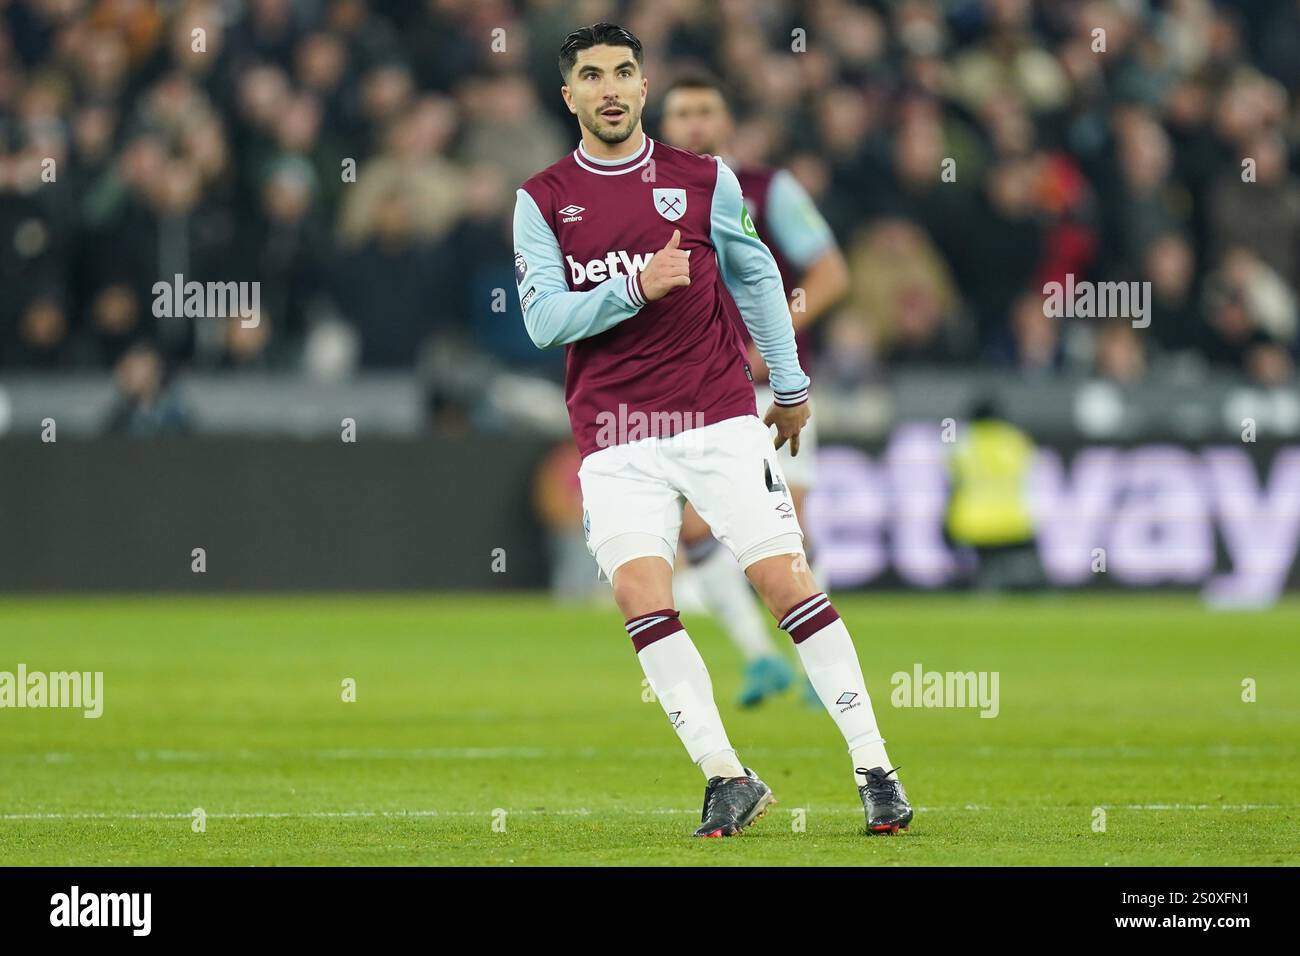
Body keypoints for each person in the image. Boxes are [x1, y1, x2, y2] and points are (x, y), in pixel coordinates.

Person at [512, 23, 910, 837]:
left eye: (624, 71)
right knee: (639, 596)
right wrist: (634, 286)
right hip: (614, 436)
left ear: (643, 86)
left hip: (717, 417)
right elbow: (544, 319)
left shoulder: (703, 179)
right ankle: (727, 777)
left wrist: (790, 383)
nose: (611, 88)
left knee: (784, 580)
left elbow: (759, 275)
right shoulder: (542, 198)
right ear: (570, 96)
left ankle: (875, 767)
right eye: (593, 76)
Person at [660, 73, 850, 708]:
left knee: (786, 524)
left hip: (773, 387)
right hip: (691, 392)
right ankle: (761, 658)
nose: (693, 124)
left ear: (726, 122)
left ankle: (821, 669)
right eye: (681, 113)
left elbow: (828, 271)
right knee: (692, 528)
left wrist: (774, 337)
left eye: (704, 111)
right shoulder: (649, 195)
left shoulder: (770, 190)